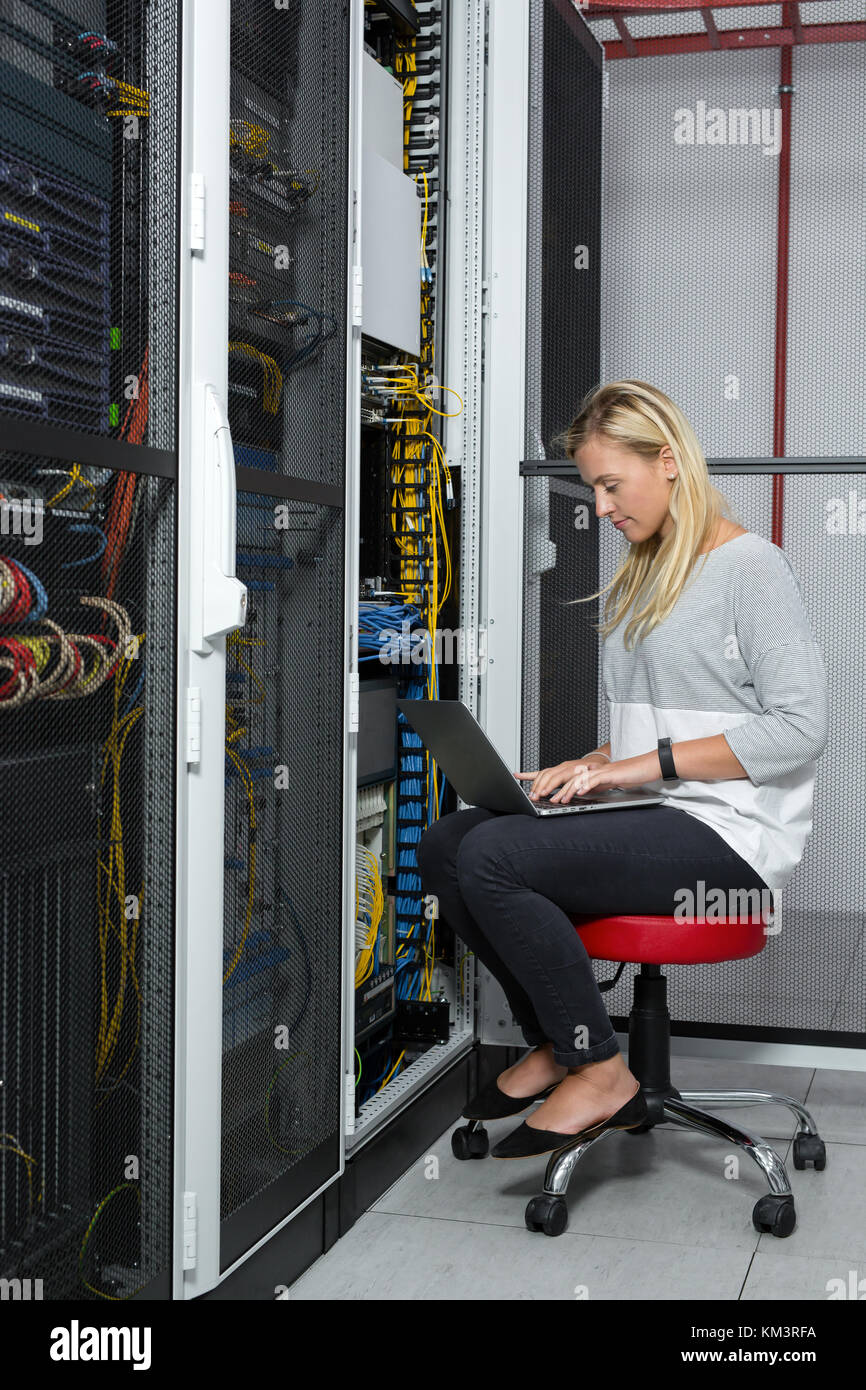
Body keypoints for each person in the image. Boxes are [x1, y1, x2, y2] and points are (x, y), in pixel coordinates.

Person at [416, 379, 830, 1159]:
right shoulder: (646, 570)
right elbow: (679, 719)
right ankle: (557, 1043)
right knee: (446, 844)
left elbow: (799, 730)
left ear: (668, 460)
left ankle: (601, 1069)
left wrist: (636, 766)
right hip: (663, 810)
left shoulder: (753, 569)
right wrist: (589, 765)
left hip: (733, 843)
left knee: (496, 857)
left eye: (612, 484)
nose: (601, 507)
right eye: (594, 488)